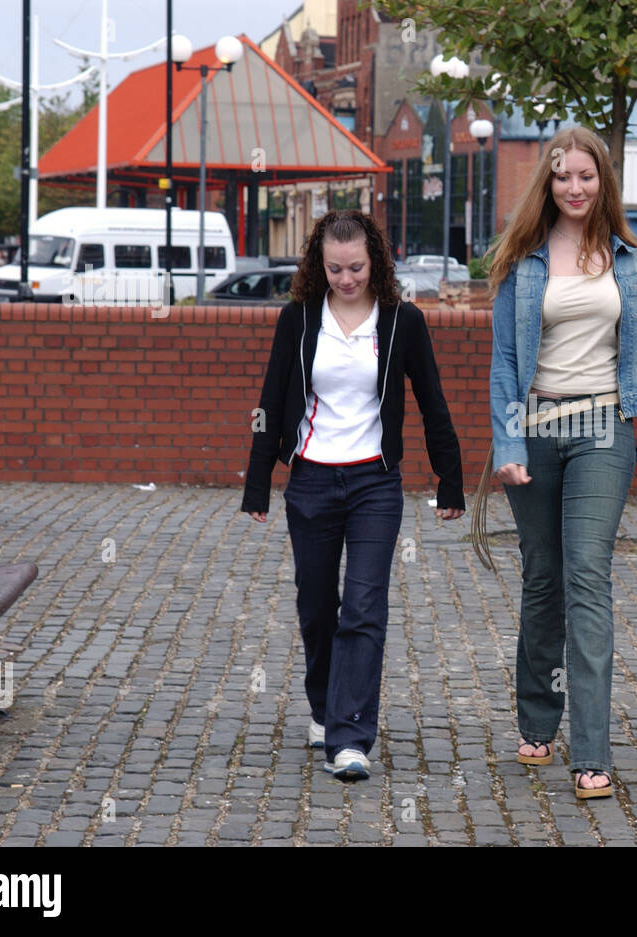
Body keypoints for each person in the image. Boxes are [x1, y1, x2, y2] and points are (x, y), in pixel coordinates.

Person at [241, 210, 464, 781]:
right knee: (317, 608)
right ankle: (325, 706)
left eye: (357, 268)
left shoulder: (401, 321)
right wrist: (258, 480)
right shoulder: (298, 319)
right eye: (335, 269)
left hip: (374, 483)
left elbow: (432, 403)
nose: (346, 279)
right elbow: (271, 394)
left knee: (363, 608)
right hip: (311, 480)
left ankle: (350, 735)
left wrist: (449, 479)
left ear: (377, 263)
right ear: (320, 263)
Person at [483, 126, 637, 799]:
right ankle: (537, 720)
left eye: (587, 176)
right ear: (549, 183)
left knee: (587, 575)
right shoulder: (521, 260)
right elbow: (506, 364)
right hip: (535, 426)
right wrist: (507, 446)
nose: (576, 187)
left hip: (604, 428)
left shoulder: (634, 264)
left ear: (604, 181)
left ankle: (591, 751)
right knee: (544, 577)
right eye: (563, 176)